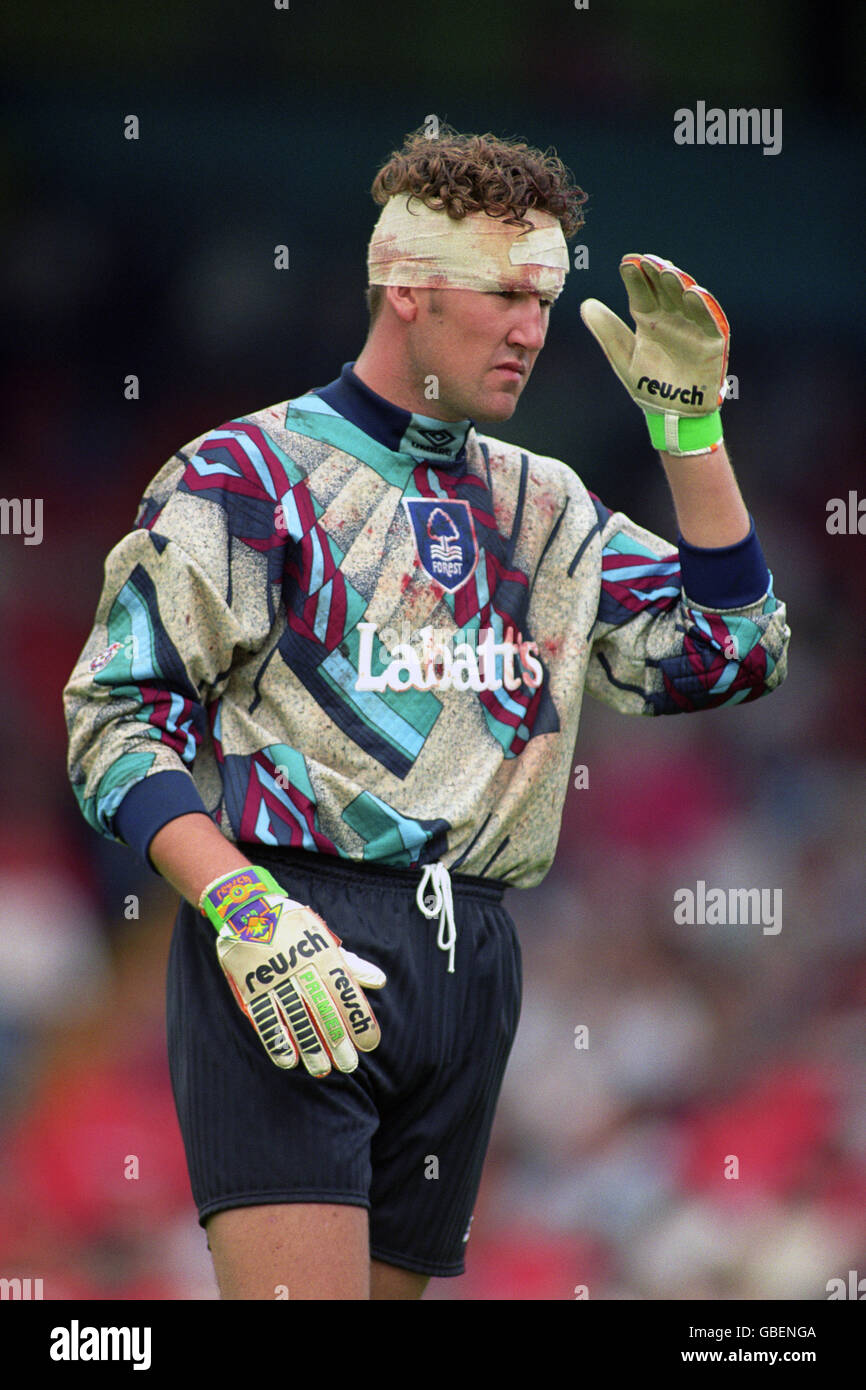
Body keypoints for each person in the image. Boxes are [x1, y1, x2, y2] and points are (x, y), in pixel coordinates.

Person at [64, 124, 790, 1300]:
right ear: (404, 287)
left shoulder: (546, 504)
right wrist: (244, 906)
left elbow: (734, 654)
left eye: (546, 298)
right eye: (504, 294)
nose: (531, 331)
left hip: (474, 957)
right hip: (292, 929)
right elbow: (113, 715)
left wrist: (691, 436)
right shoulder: (246, 475)